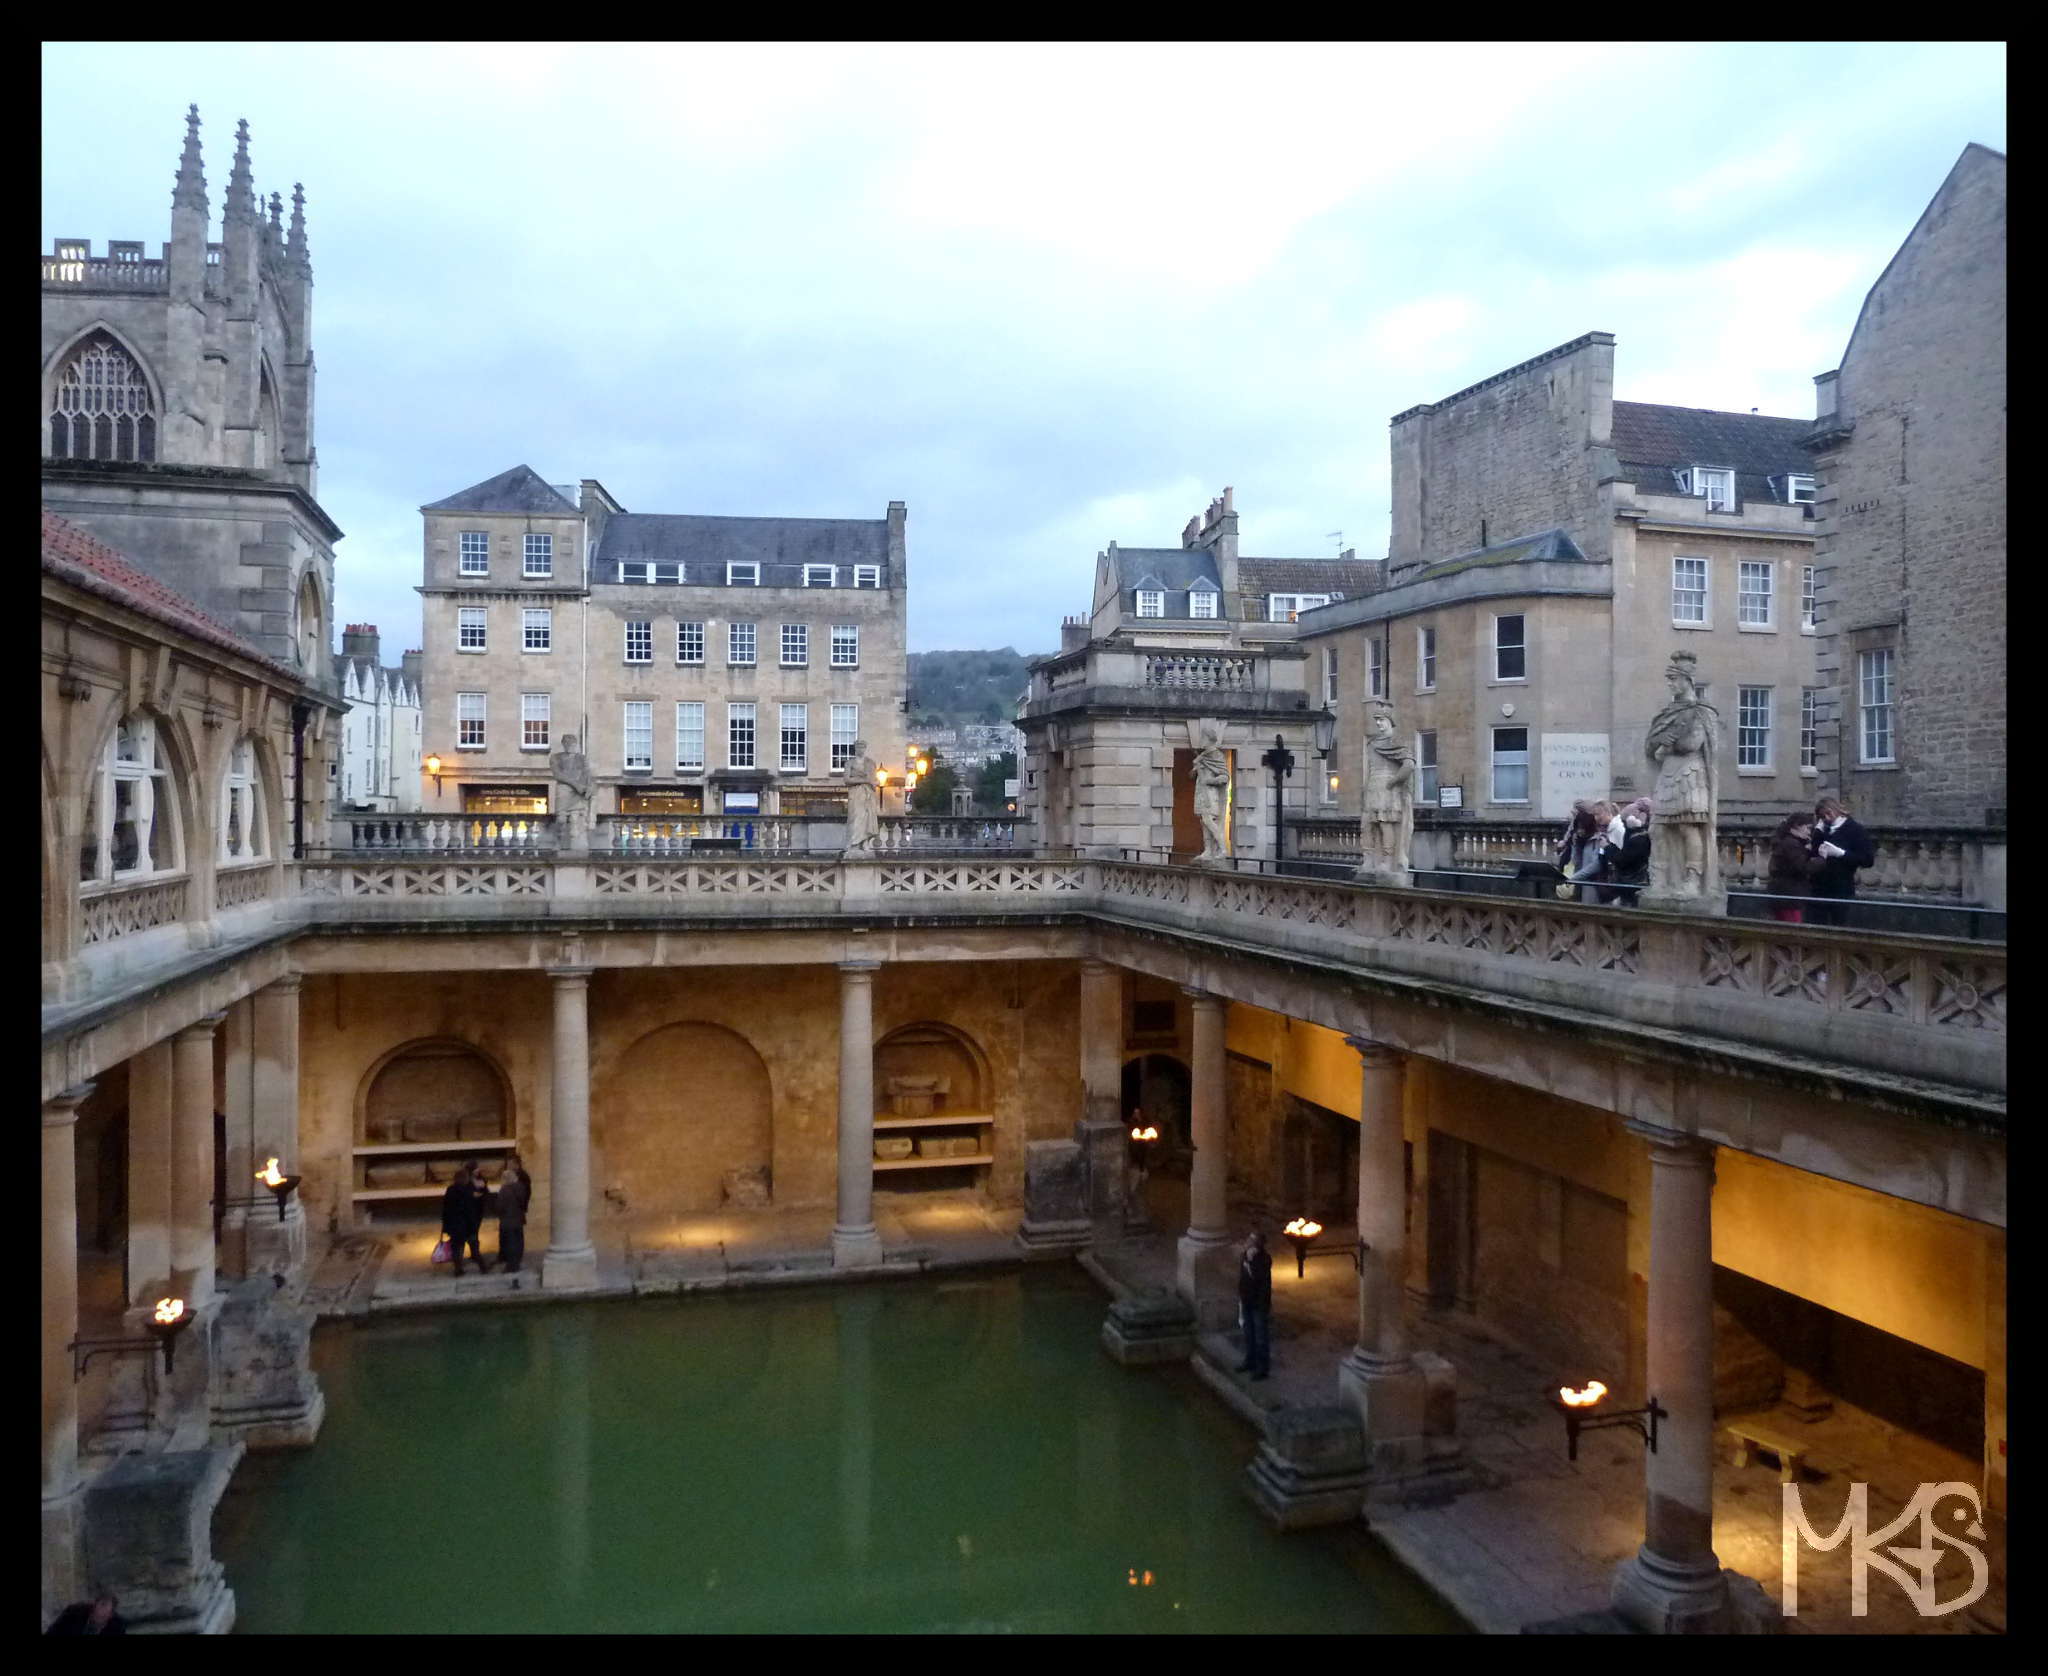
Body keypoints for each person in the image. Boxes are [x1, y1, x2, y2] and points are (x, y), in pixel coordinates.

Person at [1808, 797, 1876, 926]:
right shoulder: (1822, 830)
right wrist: (1817, 833)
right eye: (1822, 816)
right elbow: (1813, 854)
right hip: (1818, 888)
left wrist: (1841, 854)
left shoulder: (1855, 830)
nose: (1827, 818)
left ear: (1837, 810)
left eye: (1829, 814)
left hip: (1841, 888)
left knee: (1840, 926)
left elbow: (1867, 860)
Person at [1766, 812, 1822, 923]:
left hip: (1782, 894)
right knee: (1793, 928)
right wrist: (1822, 859)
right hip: (1789, 896)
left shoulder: (1786, 842)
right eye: (1807, 828)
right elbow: (1803, 867)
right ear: (1796, 826)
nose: (1808, 832)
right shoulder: (1791, 844)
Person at [1236, 1229, 1273, 1380]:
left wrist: (1250, 1262)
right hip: (1247, 1300)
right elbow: (1243, 1279)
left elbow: (1258, 1278)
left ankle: (1262, 1368)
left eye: (1251, 1240)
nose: (1247, 1242)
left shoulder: (1264, 1259)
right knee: (1248, 1333)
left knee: (1260, 1337)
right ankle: (1250, 1361)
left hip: (1259, 1302)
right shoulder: (1245, 1256)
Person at [441, 1159, 487, 1276]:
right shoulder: (468, 1191)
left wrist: (446, 1226)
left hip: (455, 1226)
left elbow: (446, 1209)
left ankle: (458, 1269)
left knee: (457, 1249)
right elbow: (470, 1209)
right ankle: (483, 1267)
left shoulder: (450, 1190)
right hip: (468, 1225)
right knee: (474, 1246)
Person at [1601, 808, 1653, 905]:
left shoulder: (1637, 838)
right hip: (1635, 881)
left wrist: (1607, 847)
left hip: (1632, 883)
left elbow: (1623, 860)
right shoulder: (1641, 835)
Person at [494, 1151, 531, 1274]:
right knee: (517, 1239)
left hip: (508, 1219)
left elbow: (499, 1206)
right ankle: (513, 1260)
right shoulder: (520, 1186)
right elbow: (525, 1196)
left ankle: (512, 1264)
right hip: (517, 1216)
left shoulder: (506, 1190)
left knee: (511, 1241)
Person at [46, 1595, 126, 1634]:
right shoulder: (74, 1613)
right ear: (94, 1605)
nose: (102, 1609)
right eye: (102, 1604)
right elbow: (54, 1630)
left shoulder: (117, 1625)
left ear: (111, 1614)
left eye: (106, 1605)